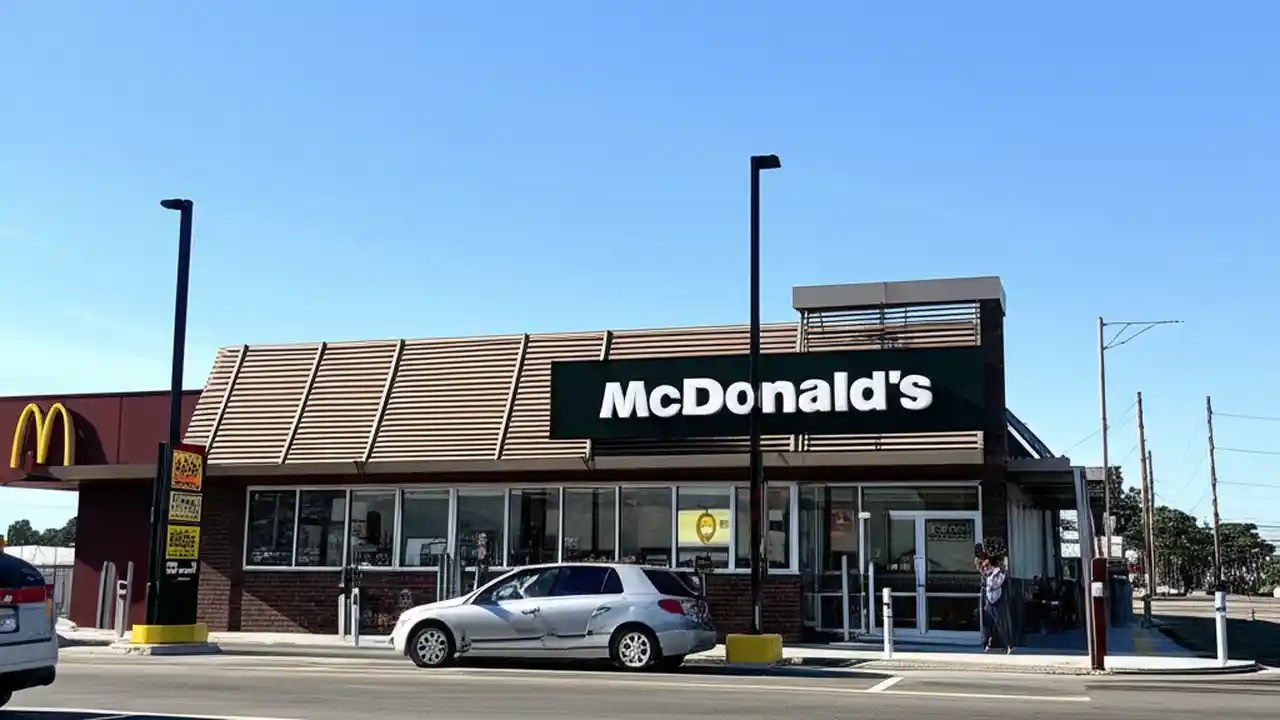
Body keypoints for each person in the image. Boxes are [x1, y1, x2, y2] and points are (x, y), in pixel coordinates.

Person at [979, 554, 1013, 653]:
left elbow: (998, 583)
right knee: (987, 624)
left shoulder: (997, 573)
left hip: (997, 601)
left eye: (987, 566)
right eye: (984, 567)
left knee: (1000, 624)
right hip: (989, 602)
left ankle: (1007, 645)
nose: (985, 568)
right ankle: (988, 643)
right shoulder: (986, 575)